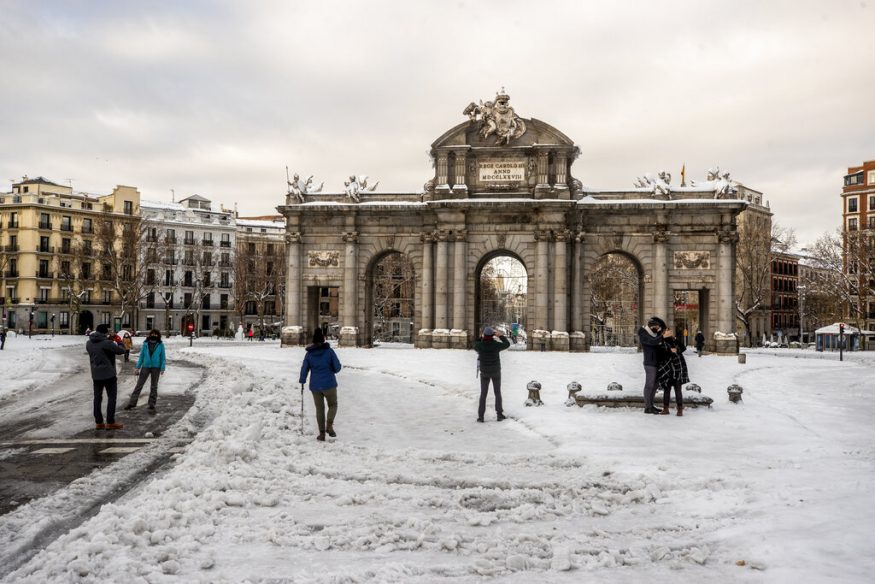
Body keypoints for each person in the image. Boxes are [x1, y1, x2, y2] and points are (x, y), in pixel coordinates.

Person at [299, 328, 342, 442]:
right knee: (333, 405)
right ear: (323, 339)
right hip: (329, 384)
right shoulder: (329, 352)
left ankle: (322, 434)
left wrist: (302, 380)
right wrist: (331, 368)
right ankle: (329, 424)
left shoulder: (309, 354)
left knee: (319, 409)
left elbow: (304, 369)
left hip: (315, 386)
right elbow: (337, 368)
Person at [86, 323, 126, 430]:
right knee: (111, 397)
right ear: (105, 332)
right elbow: (121, 350)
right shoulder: (107, 343)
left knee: (97, 398)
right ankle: (110, 422)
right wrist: (118, 341)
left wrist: (108, 339)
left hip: (96, 375)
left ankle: (99, 422)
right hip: (109, 375)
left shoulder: (89, 343)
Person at [474, 326, 511, 422]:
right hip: (495, 372)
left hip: (484, 372)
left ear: (484, 335)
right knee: (497, 393)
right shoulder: (496, 345)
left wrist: (481, 337)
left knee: (483, 394)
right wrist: (500, 336)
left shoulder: (480, 345)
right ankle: (499, 414)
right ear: (493, 335)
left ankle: (481, 417)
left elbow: (475, 344)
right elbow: (507, 344)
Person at [124, 329, 166, 412]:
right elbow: (141, 356)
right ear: (150, 334)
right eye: (152, 334)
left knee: (154, 386)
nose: (154, 335)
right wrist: (137, 367)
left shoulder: (160, 344)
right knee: (139, 385)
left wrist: (162, 368)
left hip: (156, 367)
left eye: (156, 334)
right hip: (145, 366)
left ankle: (152, 404)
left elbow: (163, 357)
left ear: (158, 335)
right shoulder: (145, 343)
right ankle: (132, 403)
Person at [638, 316, 670, 414]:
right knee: (649, 385)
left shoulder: (655, 334)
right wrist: (662, 336)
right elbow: (652, 342)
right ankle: (647, 407)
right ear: (651, 326)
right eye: (656, 326)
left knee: (655, 385)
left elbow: (664, 329)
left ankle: (651, 405)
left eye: (658, 327)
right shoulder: (643, 333)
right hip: (649, 363)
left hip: (656, 362)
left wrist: (661, 324)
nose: (658, 328)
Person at [658, 329, 690, 416]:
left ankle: (680, 410)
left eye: (669, 330)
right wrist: (670, 351)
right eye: (667, 331)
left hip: (677, 370)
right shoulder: (662, 342)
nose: (669, 332)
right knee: (667, 390)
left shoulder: (674, 341)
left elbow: (683, 348)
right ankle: (665, 409)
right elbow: (660, 354)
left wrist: (675, 339)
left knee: (678, 390)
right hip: (667, 370)